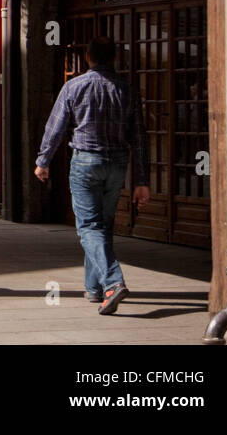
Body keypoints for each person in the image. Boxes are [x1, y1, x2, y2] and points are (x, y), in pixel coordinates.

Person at [36, 36, 150, 316]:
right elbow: (140, 137)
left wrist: (43, 160)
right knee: (103, 225)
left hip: (86, 161)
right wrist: (142, 180)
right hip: (117, 163)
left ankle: (112, 283)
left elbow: (56, 128)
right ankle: (94, 288)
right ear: (115, 58)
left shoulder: (74, 86)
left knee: (88, 226)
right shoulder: (127, 90)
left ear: (88, 58)